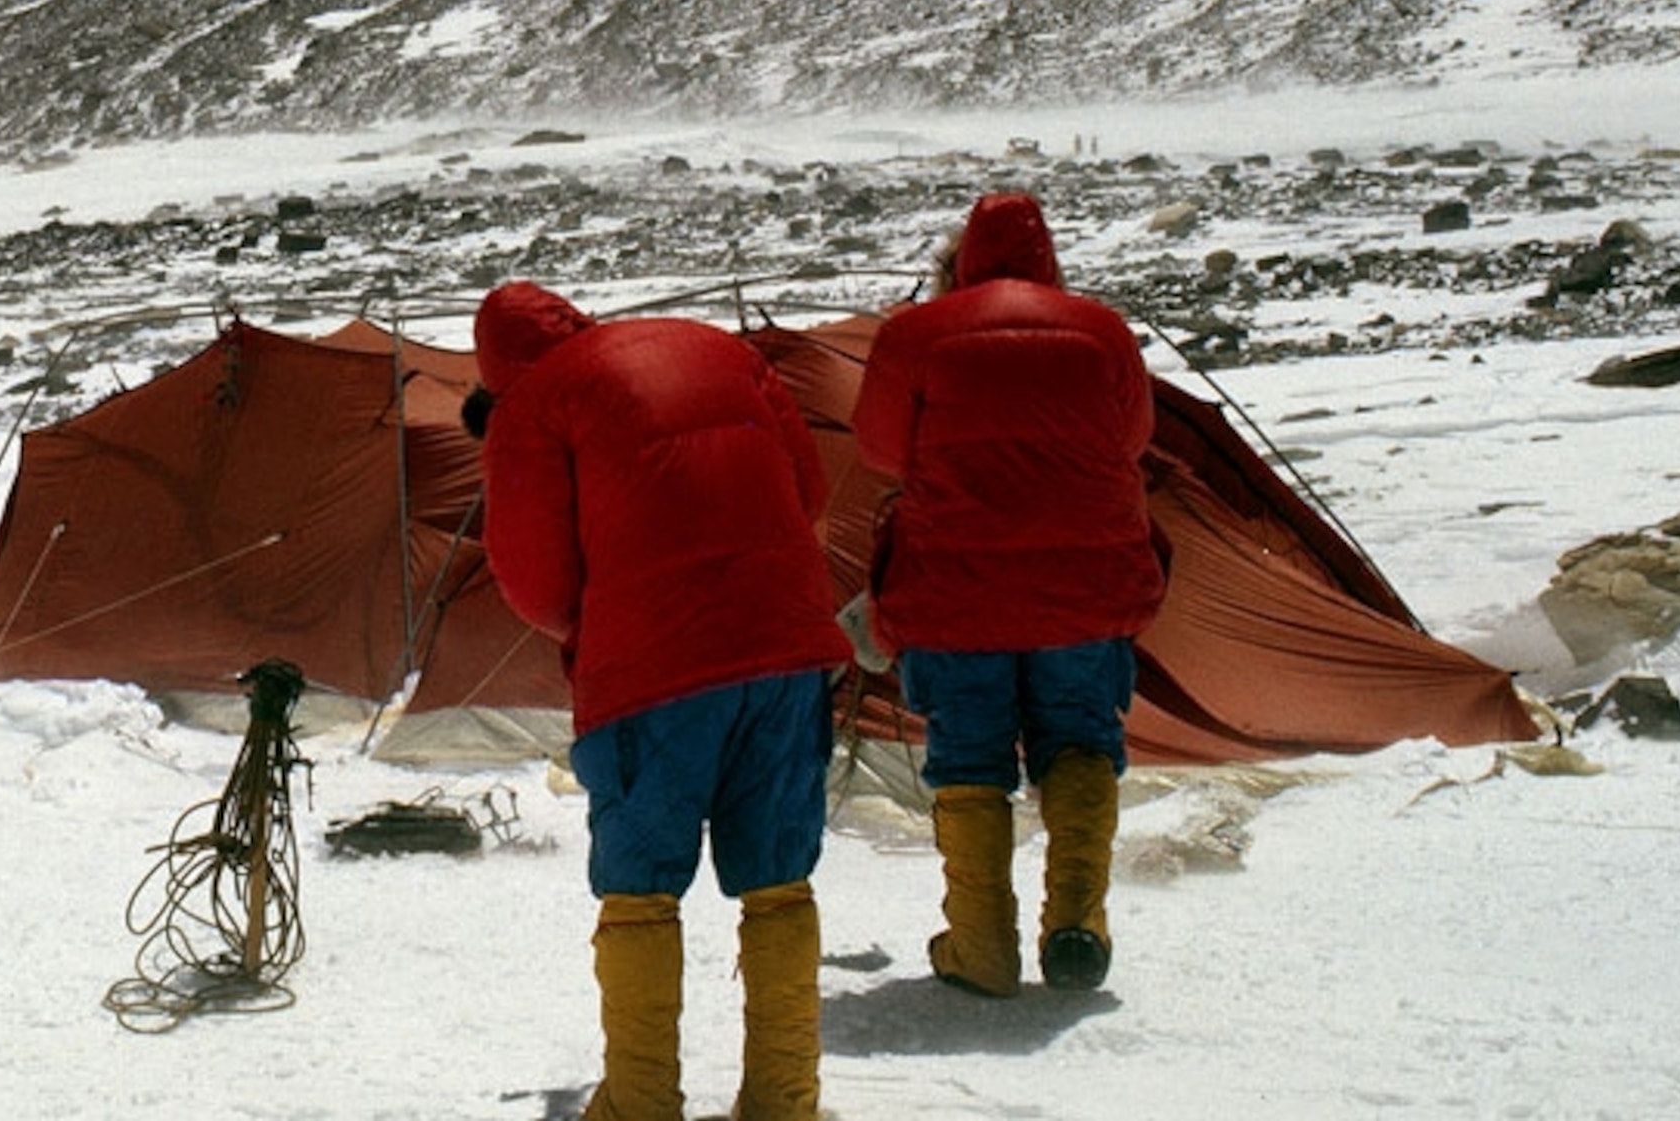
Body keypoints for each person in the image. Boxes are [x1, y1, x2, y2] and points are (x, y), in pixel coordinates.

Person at [471, 280, 851, 1121]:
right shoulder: (720, 349)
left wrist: (600, 620)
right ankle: (785, 1101)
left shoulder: (530, 405)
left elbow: (534, 580)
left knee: (642, 880)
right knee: (779, 876)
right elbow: (809, 491)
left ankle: (641, 1102)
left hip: (651, 667)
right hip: (787, 644)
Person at [852, 189, 1165, 998]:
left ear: (957, 263)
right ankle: (1076, 923)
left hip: (957, 590)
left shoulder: (914, 337)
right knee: (1081, 742)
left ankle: (982, 944)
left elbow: (884, 452)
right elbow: (1133, 440)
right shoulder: (1101, 331)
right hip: (1085, 587)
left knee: (970, 758)